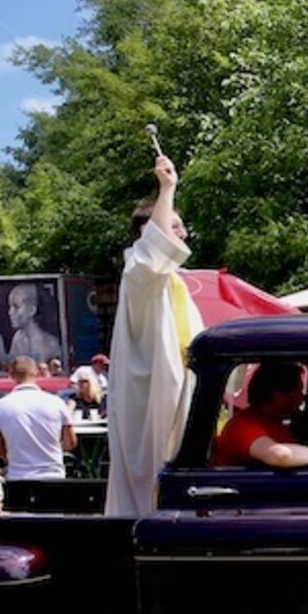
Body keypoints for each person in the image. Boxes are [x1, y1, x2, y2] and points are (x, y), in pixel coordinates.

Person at [107, 153, 206, 514]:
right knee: (156, 478)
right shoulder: (139, 274)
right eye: (175, 226)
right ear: (145, 233)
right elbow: (157, 249)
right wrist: (168, 188)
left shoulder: (174, 283)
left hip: (180, 393)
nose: (183, 234)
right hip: (152, 400)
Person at [212, 360, 308, 469]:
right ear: (278, 394)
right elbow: (280, 455)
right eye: (298, 391)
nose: (303, 397)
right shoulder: (244, 425)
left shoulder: (275, 424)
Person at [0, 356, 77, 482]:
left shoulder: (0, 406)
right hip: (54, 475)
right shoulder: (56, 403)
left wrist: (12, 455)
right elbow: (70, 443)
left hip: (18, 477)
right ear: (37, 372)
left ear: (11, 374)